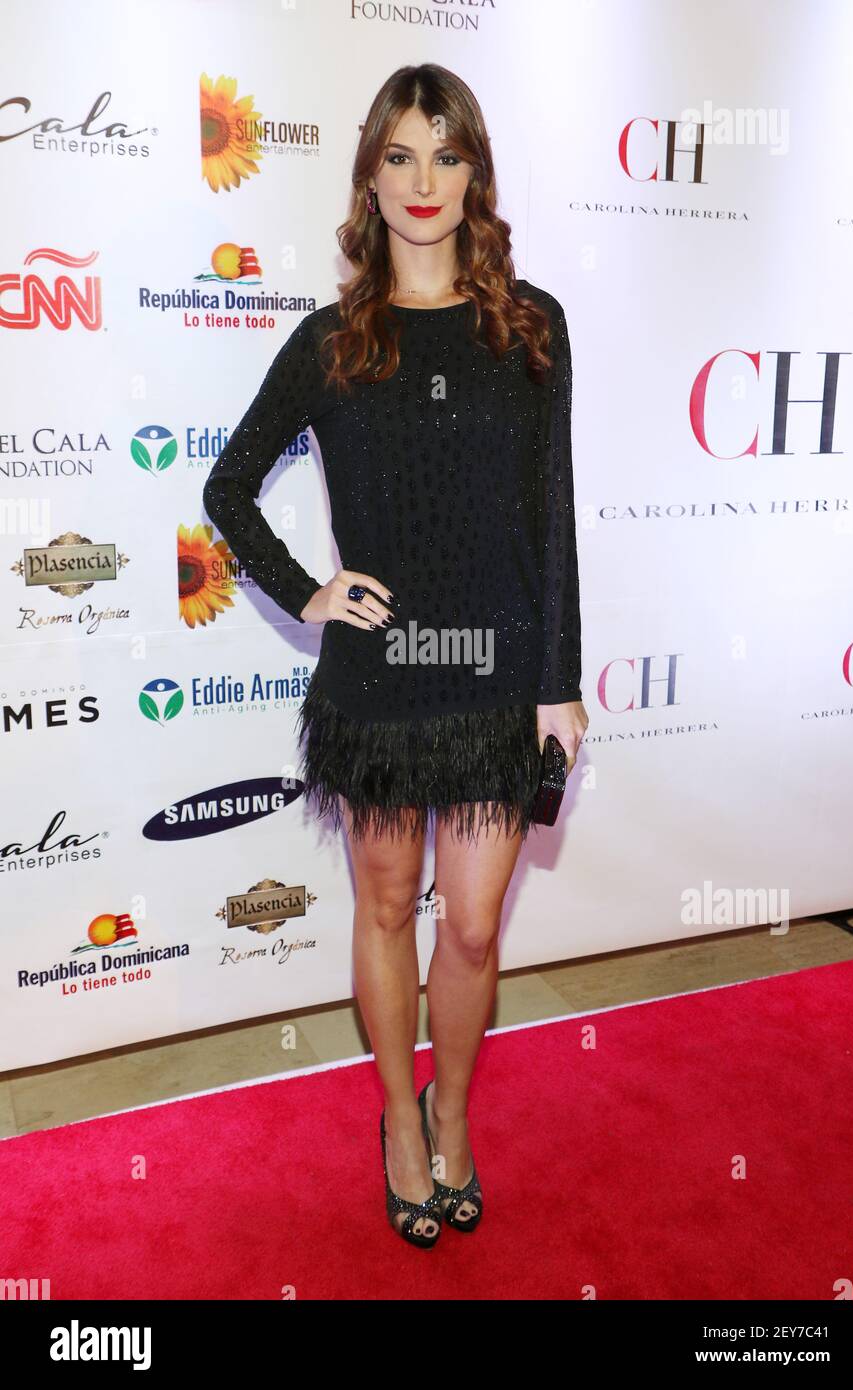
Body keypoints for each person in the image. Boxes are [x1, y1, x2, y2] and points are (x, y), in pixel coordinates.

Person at [203, 62, 589, 1249]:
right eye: (401, 156)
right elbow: (228, 487)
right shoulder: (331, 342)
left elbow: (552, 513)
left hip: (495, 674)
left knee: (469, 927)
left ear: (476, 175)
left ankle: (453, 1113)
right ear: (369, 174)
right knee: (384, 906)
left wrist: (558, 680)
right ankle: (400, 1125)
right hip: (377, 683)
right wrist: (306, 591)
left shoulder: (529, 327)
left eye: (448, 154)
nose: (424, 183)